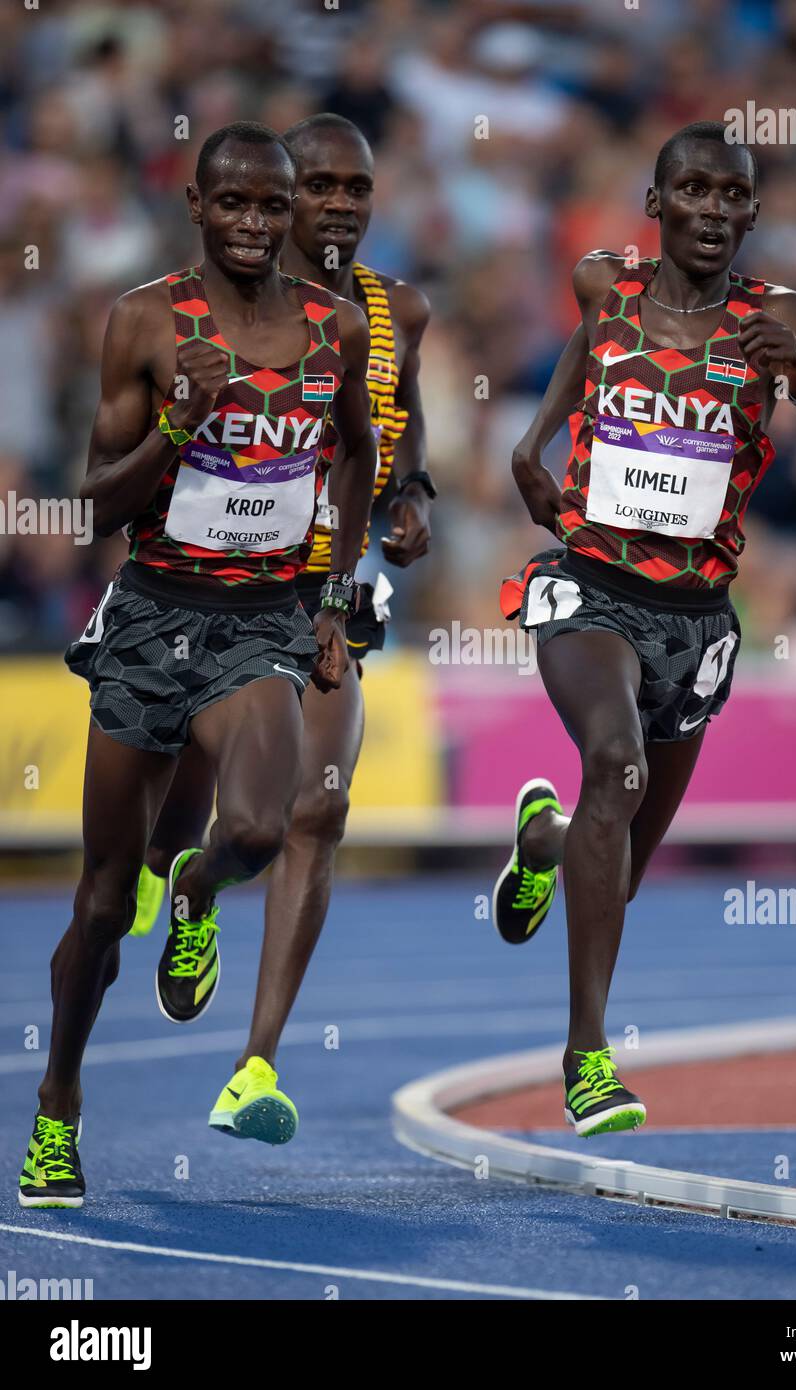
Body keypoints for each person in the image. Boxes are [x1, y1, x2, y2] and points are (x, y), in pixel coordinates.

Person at [496, 121, 796, 1138]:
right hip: (588, 584)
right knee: (615, 764)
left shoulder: (785, 319)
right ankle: (587, 1058)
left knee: (614, 859)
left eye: (732, 196)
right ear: (655, 202)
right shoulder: (605, 285)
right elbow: (576, 363)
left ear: (752, 215)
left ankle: (539, 844)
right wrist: (530, 446)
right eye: (693, 191)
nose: (713, 211)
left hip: (694, 617)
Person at [18, 121, 377, 1207]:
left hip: (262, 620)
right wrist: (180, 422)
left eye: (274, 207)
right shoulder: (144, 320)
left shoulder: (335, 326)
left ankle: (199, 894)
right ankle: (58, 1107)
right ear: (197, 207)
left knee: (264, 826)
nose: (258, 225)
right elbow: (90, 504)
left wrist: (331, 588)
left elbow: (356, 452)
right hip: (149, 620)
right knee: (94, 902)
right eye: (236, 206)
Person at [127, 114, 434, 1148]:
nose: (340, 203)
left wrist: (412, 489)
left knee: (317, 811)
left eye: (358, 186)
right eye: (318, 185)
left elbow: (398, 420)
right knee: (180, 814)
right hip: (204, 591)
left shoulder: (395, 313)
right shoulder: (212, 310)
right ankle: (183, 882)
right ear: (273, 198)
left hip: (325, 596)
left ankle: (254, 1062)